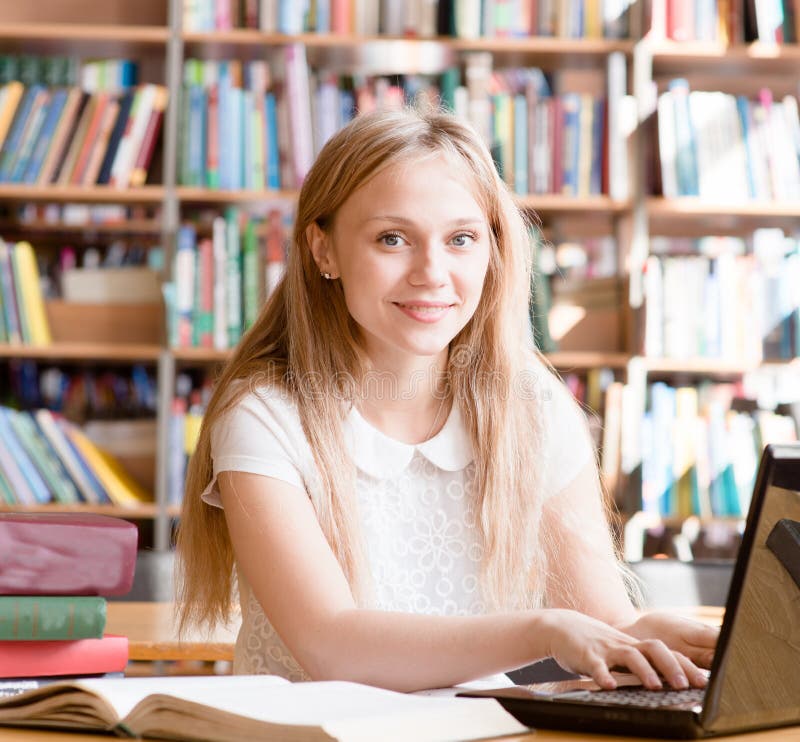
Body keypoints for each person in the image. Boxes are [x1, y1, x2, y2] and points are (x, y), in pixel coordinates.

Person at [176, 106, 718, 693]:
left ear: (493, 249)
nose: (432, 272)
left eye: (461, 238)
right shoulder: (266, 416)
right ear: (323, 250)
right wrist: (543, 630)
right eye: (392, 238)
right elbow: (331, 646)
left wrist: (642, 634)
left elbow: (599, 622)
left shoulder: (532, 406)